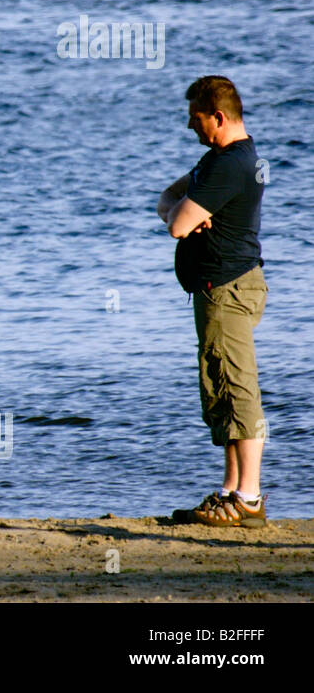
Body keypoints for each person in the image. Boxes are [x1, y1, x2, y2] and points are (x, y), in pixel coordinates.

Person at [156, 75, 268, 527]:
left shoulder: (228, 166)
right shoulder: (216, 159)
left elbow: (178, 225)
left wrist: (183, 212)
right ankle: (229, 491)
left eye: (195, 118)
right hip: (217, 290)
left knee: (238, 388)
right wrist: (180, 208)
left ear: (218, 117)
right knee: (219, 386)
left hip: (229, 289)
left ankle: (250, 497)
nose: (189, 126)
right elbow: (167, 200)